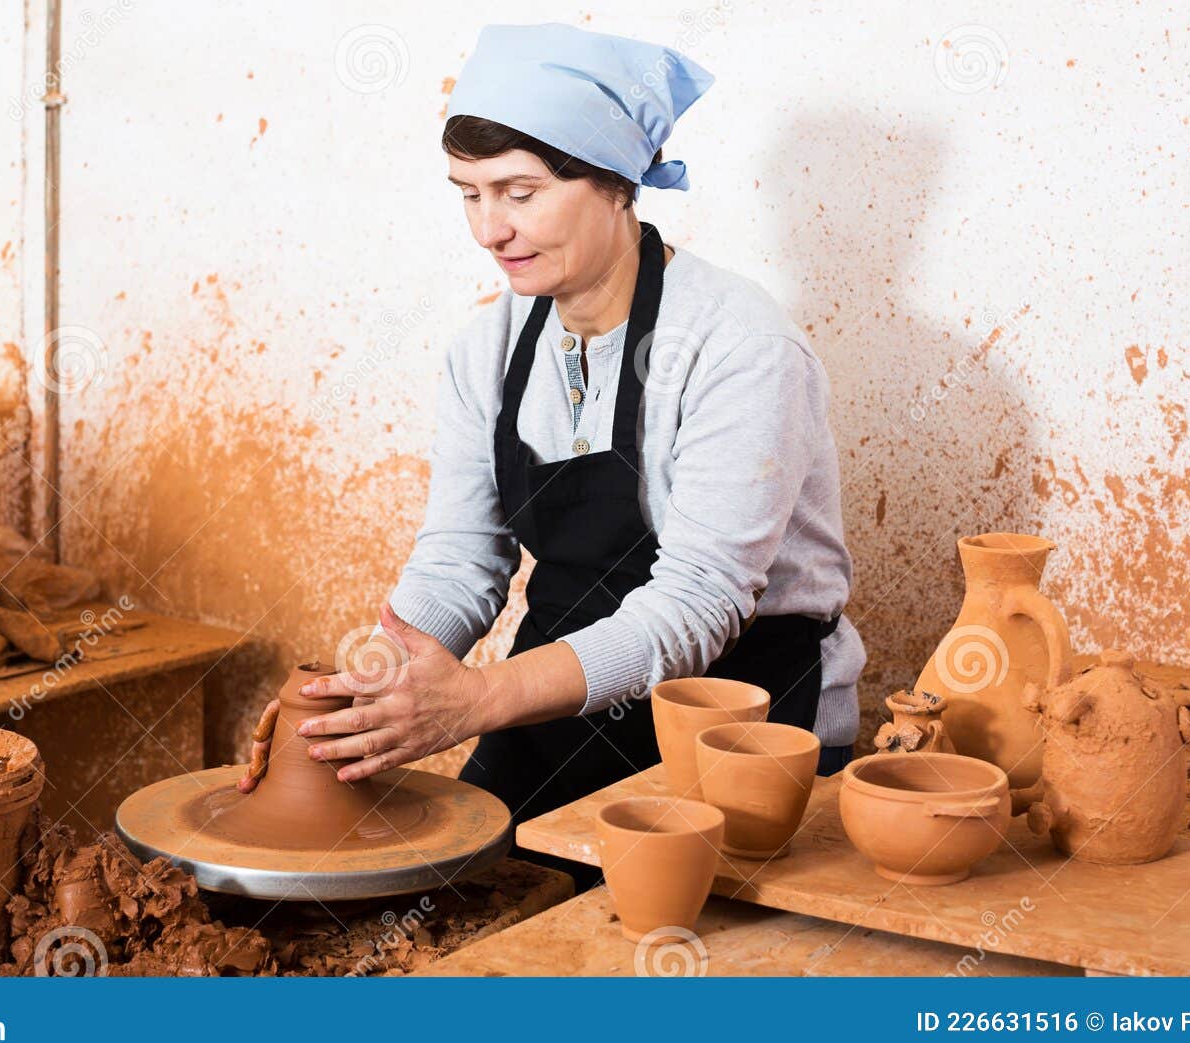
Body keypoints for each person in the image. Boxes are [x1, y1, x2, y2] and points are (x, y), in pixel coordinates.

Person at [244, 23, 865, 880]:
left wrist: (476, 700)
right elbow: (463, 558)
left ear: (614, 181)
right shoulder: (488, 347)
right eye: (469, 194)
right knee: (469, 927)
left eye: (520, 192)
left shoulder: (737, 346)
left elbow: (697, 603)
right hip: (556, 709)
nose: (491, 229)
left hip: (745, 734)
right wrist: (361, 696)